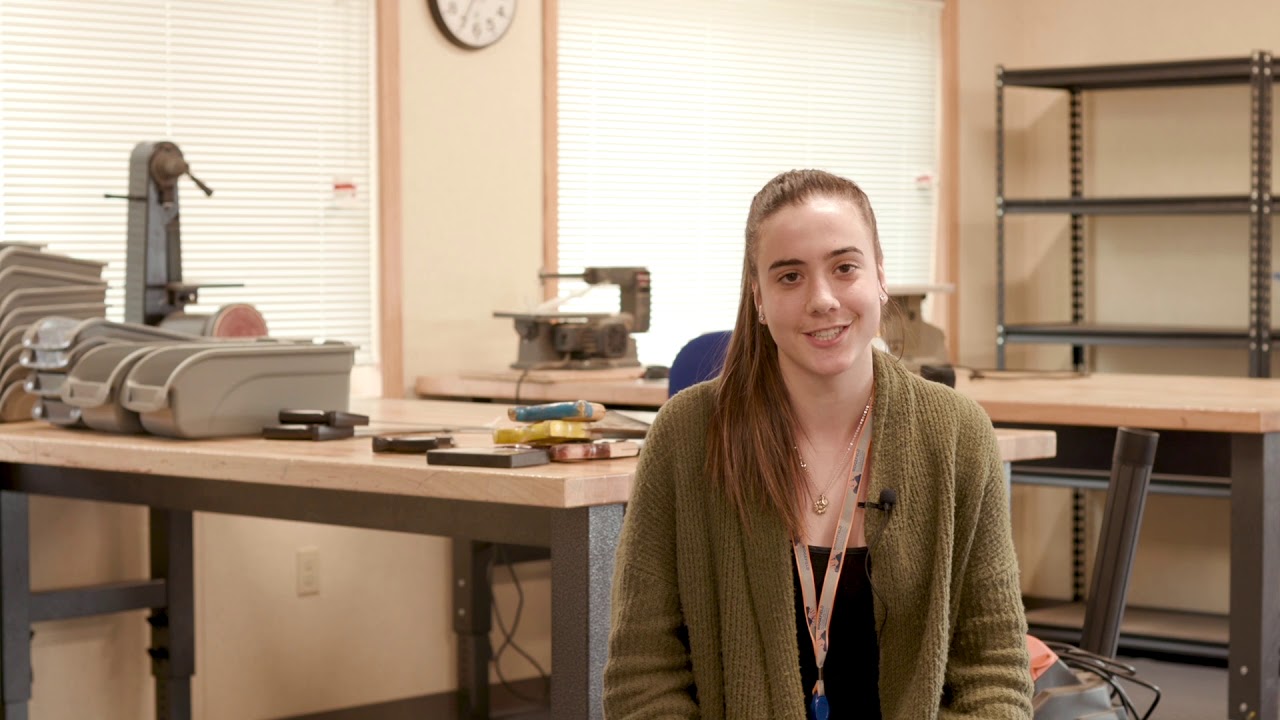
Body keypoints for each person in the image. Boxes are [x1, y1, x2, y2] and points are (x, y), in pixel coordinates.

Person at [602, 169, 1033, 719]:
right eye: (789, 277)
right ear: (757, 298)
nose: (823, 299)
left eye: (844, 268)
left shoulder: (958, 435)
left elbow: (993, 670)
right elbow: (644, 677)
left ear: (880, 276)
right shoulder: (685, 436)